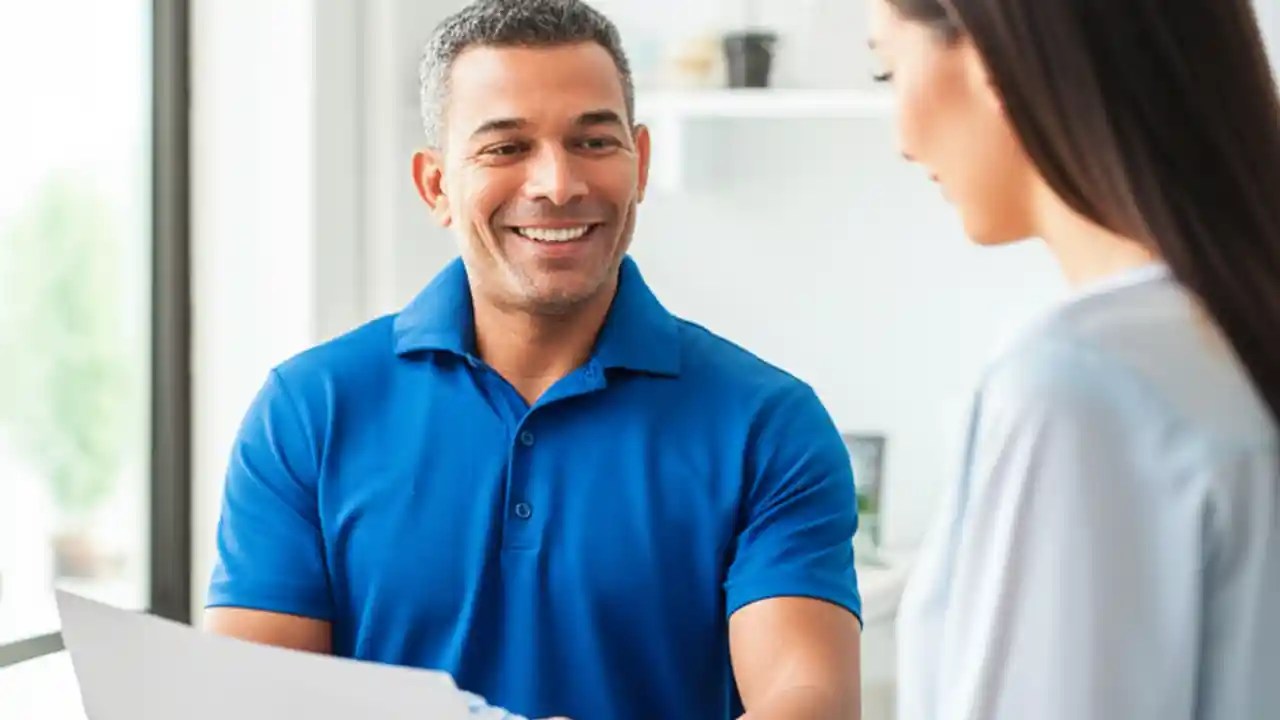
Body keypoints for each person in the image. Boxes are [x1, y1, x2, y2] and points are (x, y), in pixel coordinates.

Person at [204, 1, 864, 719]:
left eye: (593, 142)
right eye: (505, 148)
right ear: (435, 186)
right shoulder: (309, 411)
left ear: (639, 163)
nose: (557, 184)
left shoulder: (768, 425)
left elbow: (808, 698)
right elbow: (250, 702)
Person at [867, 0, 1280, 718]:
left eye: (887, 69)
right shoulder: (1220, 343)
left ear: (992, 61)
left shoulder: (1082, 382)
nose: (901, 138)